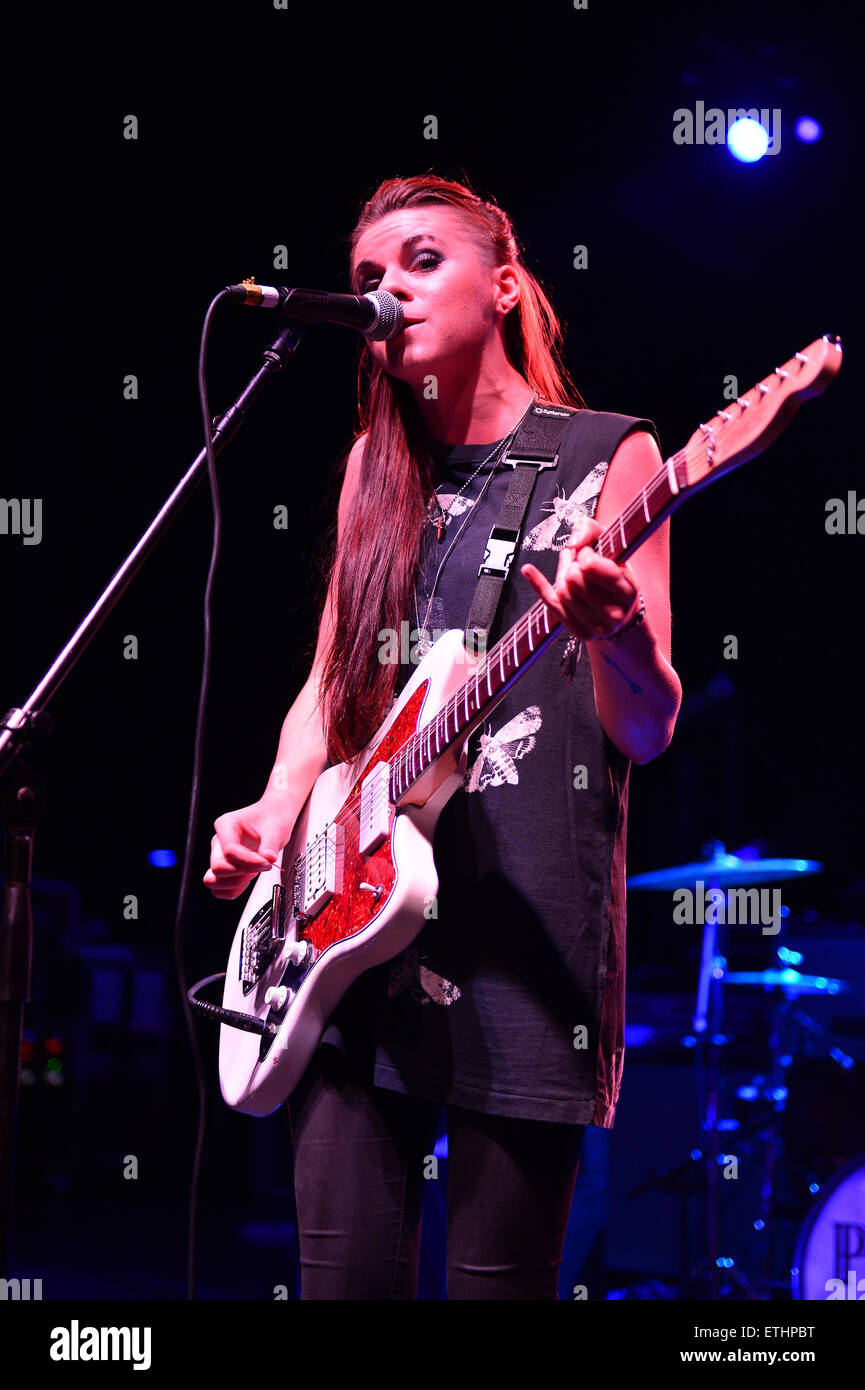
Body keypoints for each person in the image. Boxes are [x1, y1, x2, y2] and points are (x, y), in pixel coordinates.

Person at [204, 174, 682, 1300]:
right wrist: (278, 807)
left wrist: (611, 638)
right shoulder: (378, 473)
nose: (387, 293)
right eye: (370, 277)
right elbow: (332, 680)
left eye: (422, 262)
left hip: (528, 950)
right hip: (345, 933)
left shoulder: (610, 458)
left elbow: (650, 726)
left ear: (506, 286)